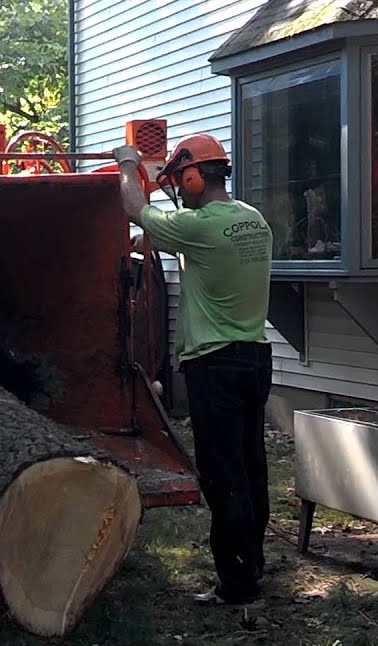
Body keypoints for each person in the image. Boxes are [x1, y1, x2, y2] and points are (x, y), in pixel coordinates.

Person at [114, 135, 274, 605]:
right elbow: (184, 241)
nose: (181, 194)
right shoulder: (253, 221)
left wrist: (129, 164)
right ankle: (254, 564)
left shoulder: (199, 227)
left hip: (214, 365)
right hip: (254, 359)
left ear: (193, 177)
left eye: (182, 184)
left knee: (223, 475)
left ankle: (236, 585)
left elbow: (132, 206)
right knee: (251, 466)